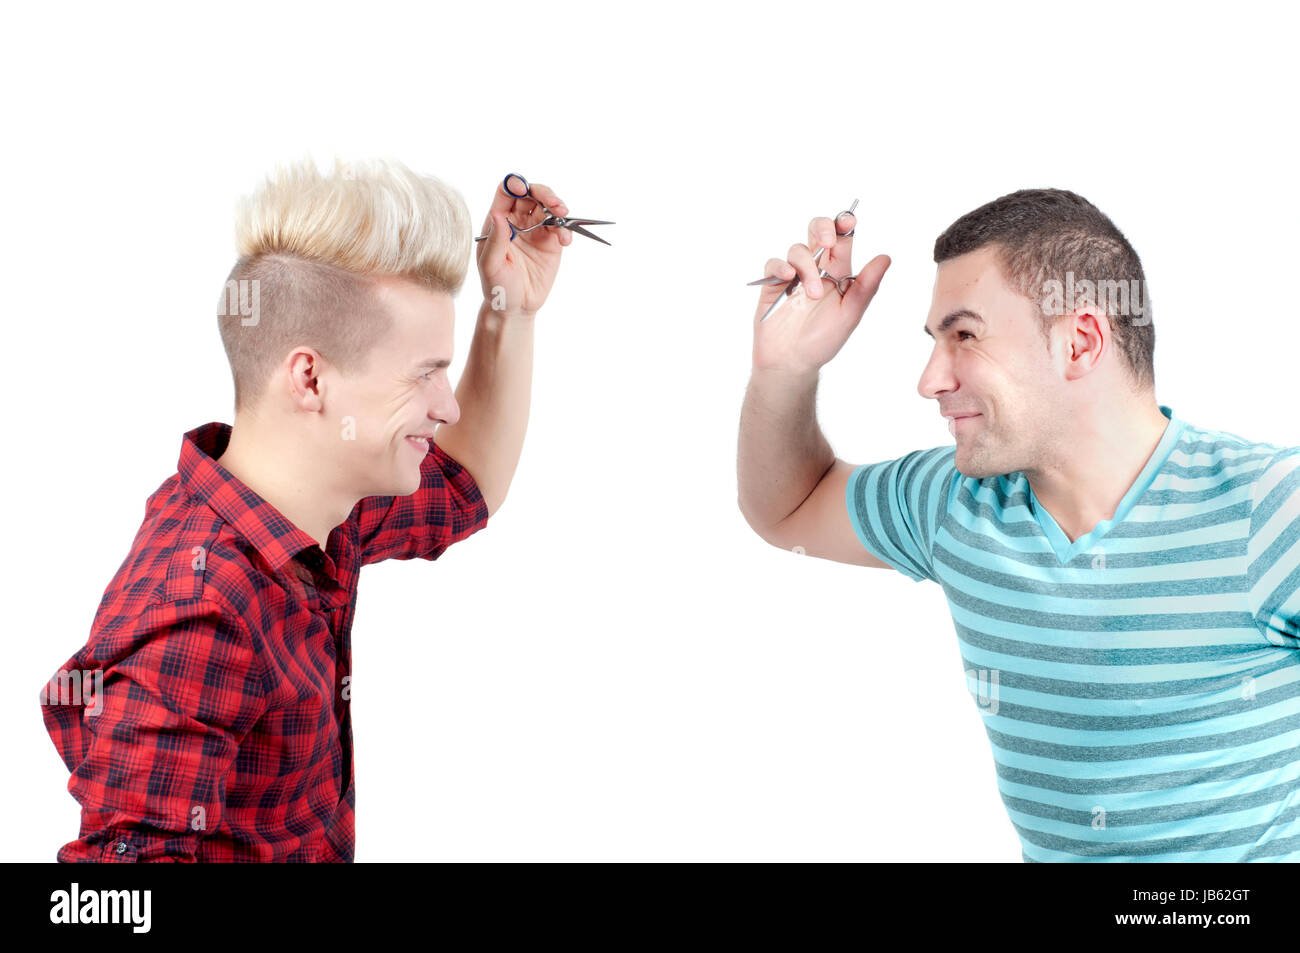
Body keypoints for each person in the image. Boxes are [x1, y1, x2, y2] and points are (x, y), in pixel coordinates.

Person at [737, 188, 1300, 862]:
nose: (930, 379)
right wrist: (785, 370)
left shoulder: (1267, 507)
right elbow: (788, 508)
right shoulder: (954, 503)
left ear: (1080, 341)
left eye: (964, 335)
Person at [38, 157, 570, 861]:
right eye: (424, 375)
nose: (447, 405)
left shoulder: (321, 511)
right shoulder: (201, 612)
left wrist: (510, 309)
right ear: (311, 378)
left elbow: (467, 486)